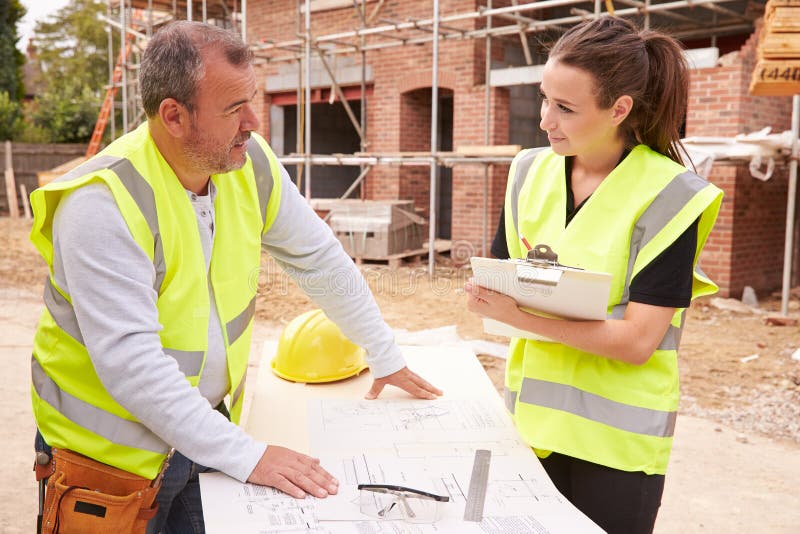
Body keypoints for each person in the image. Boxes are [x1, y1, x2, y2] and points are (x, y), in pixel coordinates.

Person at [29, 20, 441, 533]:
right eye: (233, 109)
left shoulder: (246, 163)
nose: (253, 122)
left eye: (252, 100)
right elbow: (131, 363)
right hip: (107, 464)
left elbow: (319, 258)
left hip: (203, 434)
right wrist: (251, 456)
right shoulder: (101, 203)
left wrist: (384, 353)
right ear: (174, 116)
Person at [465, 16, 723, 534]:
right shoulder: (526, 173)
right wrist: (492, 301)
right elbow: (500, 291)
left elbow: (637, 343)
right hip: (531, 428)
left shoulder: (673, 196)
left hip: (617, 453)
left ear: (619, 109)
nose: (544, 121)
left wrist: (520, 315)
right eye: (544, 98)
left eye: (565, 108)